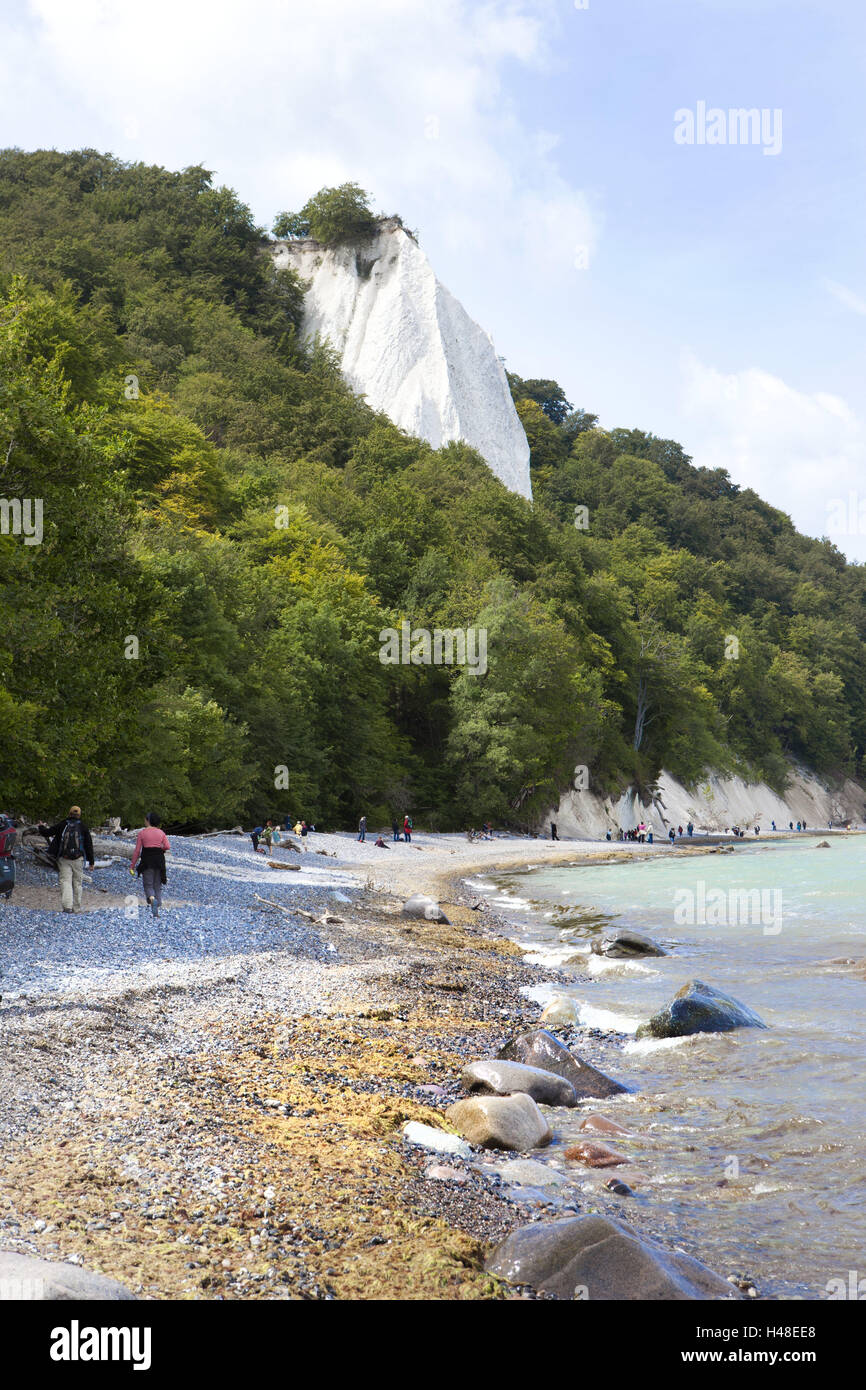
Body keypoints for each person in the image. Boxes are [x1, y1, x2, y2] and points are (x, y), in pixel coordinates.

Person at [40, 806, 95, 913]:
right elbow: (89, 845)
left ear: (69, 814)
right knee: (77, 883)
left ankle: (67, 907)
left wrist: (41, 826)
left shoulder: (63, 824)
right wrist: (91, 862)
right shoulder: (83, 827)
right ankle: (77, 908)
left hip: (64, 859)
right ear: (79, 815)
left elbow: (47, 832)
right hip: (78, 859)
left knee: (66, 881)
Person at [131, 812, 171, 919]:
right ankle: (156, 909)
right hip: (159, 860)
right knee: (157, 884)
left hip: (147, 860)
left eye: (145, 819)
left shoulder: (142, 833)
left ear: (148, 820)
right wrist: (159, 848)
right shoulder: (161, 832)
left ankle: (152, 899)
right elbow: (167, 846)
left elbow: (137, 851)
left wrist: (132, 865)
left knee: (148, 884)